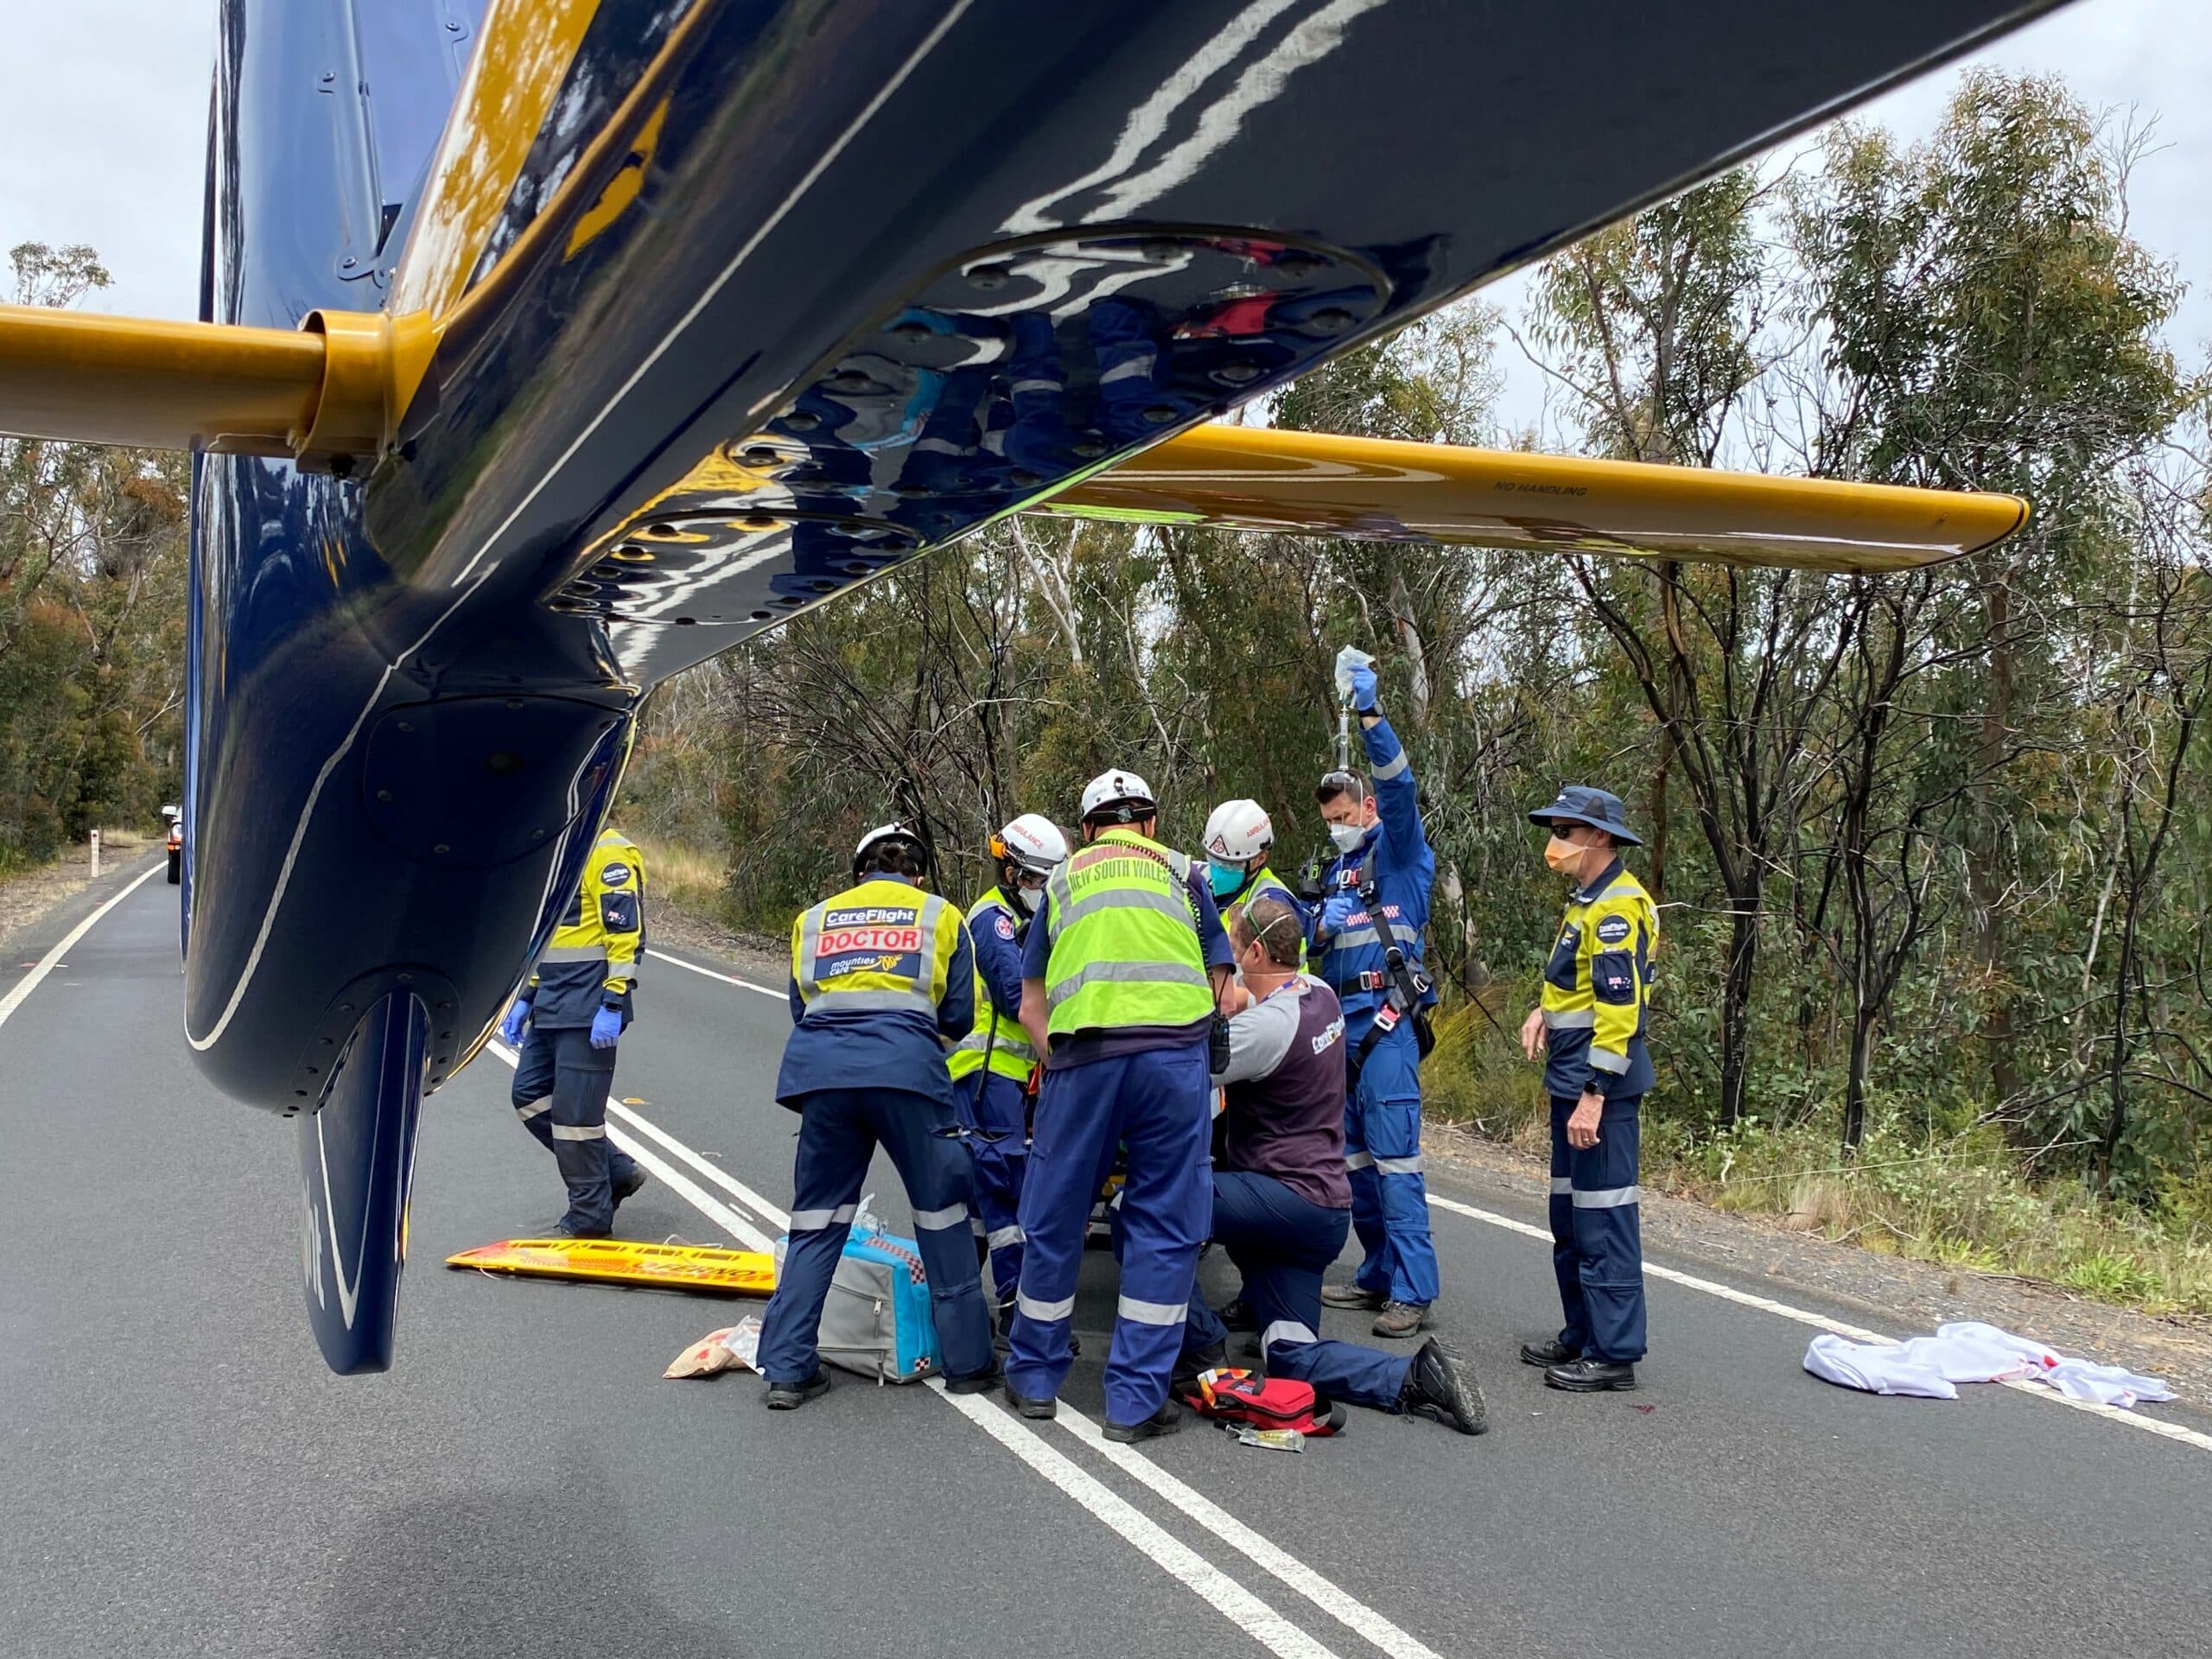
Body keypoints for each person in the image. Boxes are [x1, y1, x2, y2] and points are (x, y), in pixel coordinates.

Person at [1180, 896, 1486, 1434]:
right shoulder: (1319, 995)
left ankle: (1203, 1349)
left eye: (1234, 950)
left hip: (1280, 1199)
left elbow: (1182, 1069)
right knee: (1291, 1357)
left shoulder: (1264, 1029)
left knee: (1146, 1210)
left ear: (1255, 953)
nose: (1230, 963)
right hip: (1321, 1213)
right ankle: (1414, 1376)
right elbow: (1255, 1003)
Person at [1006, 769, 1234, 1442]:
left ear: (1086, 830)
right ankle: (1133, 1404)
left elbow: (1031, 1005)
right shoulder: (1186, 875)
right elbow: (1220, 985)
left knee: (1055, 1217)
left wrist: (1059, 1066)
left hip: (1083, 1059)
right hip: (1174, 1060)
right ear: (1151, 824)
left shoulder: (1062, 881)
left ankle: (1034, 1380)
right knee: (1164, 1225)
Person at [755, 822, 1000, 1408]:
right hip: (908, 1073)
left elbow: (801, 1009)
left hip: (823, 1076)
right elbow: (960, 1016)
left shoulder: (814, 919)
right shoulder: (941, 915)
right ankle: (968, 1364)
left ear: (859, 872)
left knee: (818, 1220)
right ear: (918, 875)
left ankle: (788, 1369)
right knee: (941, 1215)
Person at [1311, 660, 1442, 1338]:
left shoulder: (1400, 854)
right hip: (1342, 1031)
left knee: (1396, 1165)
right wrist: (1317, 926)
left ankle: (1414, 1290)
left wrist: (1370, 718)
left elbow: (1398, 786)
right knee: (1356, 1166)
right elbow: (1306, 949)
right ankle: (1378, 1273)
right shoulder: (1334, 872)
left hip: (1387, 1025)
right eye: (1330, 820)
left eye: (1345, 816)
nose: (1339, 826)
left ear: (1366, 811)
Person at [1518, 786, 1657, 1392]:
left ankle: (1613, 1353)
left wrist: (1596, 1093)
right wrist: (1543, 1011)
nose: (1555, 843)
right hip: (1569, 1075)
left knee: (1604, 1218)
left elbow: (1621, 1009)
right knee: (1570, 1216)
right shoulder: (1586, 900)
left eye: (1565, 831)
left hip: (1599, 1085)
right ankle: (1582, 1332)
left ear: (1599, 837)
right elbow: (1575, 986)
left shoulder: (1618, 908)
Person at [948, 813, 1069, 1330]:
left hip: (1007, 1078)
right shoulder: (993, 920)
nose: (1045, 890)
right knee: (1005, 1191)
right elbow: (1017, 995)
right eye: (1040, 880)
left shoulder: (1028, 922)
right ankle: (1017, 1312)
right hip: (985, 1074)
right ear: (1016, 874)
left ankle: (953, 1307)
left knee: (981, 1200)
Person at [499, 823, 649, 1237]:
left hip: (589, 1004)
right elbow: (553, 937)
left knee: (576, 1118)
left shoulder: (608, 852)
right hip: (552, 1001)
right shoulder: (566, 852)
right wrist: (529, 995)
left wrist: (613, 1002)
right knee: (529, 1095)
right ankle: (615, 1170)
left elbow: (626, 936)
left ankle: (589, 1218)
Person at [1200, 798, 1311, 936]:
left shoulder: (1274, 904)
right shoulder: (1198, 876)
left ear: (1260, 859)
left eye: (1230, 864)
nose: (1217, 870)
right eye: (1213, 859)